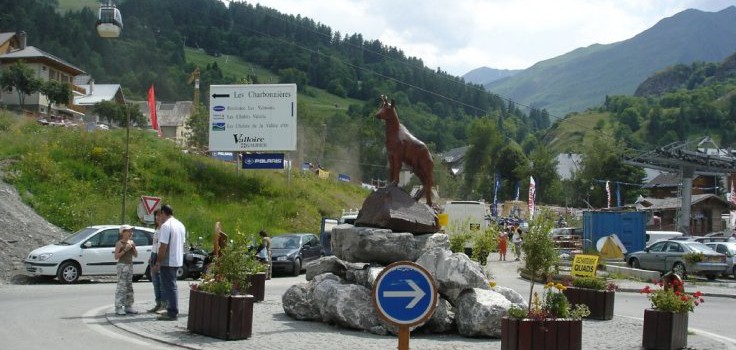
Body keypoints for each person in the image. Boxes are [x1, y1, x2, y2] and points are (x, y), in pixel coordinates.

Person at [152, 204, 185, 321]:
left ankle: (172, 312)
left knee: (169, 286)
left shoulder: (166, 226)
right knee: (172, 285)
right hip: (177, 259)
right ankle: (171, 308)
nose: (159, 217)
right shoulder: (180, 224)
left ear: (163, 213)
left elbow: (163, 246)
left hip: (168, 260)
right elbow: (183, 243)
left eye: (160, 214)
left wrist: (158, 262)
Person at [114, 224, 138, 315]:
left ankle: (128, 305)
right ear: (123, 233)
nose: (131, 233)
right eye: (128, 231)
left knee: (129, 286)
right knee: (121, 286)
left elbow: (135, 255)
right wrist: (124, 250)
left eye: (131, 231)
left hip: (129, 265)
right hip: (122, 265)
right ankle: (118, 307)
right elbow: (116, 256)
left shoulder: (131, 242)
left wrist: (133, 248)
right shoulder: (119, 243)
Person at [147, 210, 164, 313]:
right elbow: (155, 244)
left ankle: (163, 304)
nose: (157, 218)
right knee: (155, 282)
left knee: (161, 282)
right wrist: (151, 256)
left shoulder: (164, 228)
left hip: (159, 256)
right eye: (156, 216)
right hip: (154, 255)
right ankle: (158, 303)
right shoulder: (157, 228)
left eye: (159, 215)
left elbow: (162, 245)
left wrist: (158, 259)